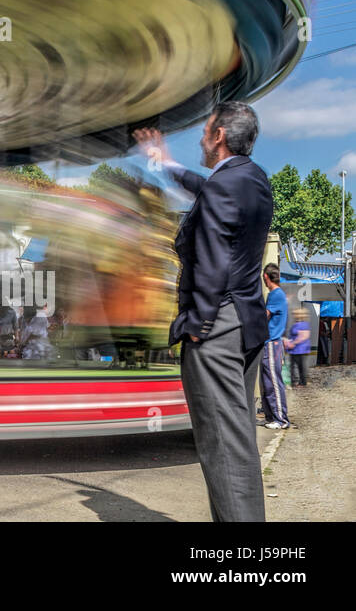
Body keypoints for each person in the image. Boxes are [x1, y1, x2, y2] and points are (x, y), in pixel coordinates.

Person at [135, 102, 272, 523]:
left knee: (224, 451)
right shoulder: (252, 179)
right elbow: (206, 189)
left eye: (205, 129)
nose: (199, 137)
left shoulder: (223, 187)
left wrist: (198, 325)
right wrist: (167, 165)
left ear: (218, 135)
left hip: (216, 330)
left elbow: (211, 261)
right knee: (237, 442)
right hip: (246, 325)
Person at [260, 264, 289, 429]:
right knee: (267, 382)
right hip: (270, 343)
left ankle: (281, 420)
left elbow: (265, 316)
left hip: (272, 343)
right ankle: (271, 417)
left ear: (266, 277)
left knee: (273, 382)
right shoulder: (276, 294)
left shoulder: (276, 294)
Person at [284, 307, 311, 389]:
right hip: (294, 350)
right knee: (292, 367)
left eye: (295, 314)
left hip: (300, 349)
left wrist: (293, 343)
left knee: (301, 367)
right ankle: (294, 382)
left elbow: (304, 336)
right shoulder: (296, 324)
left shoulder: (304, 324)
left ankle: (302, 382)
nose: (294, 316)